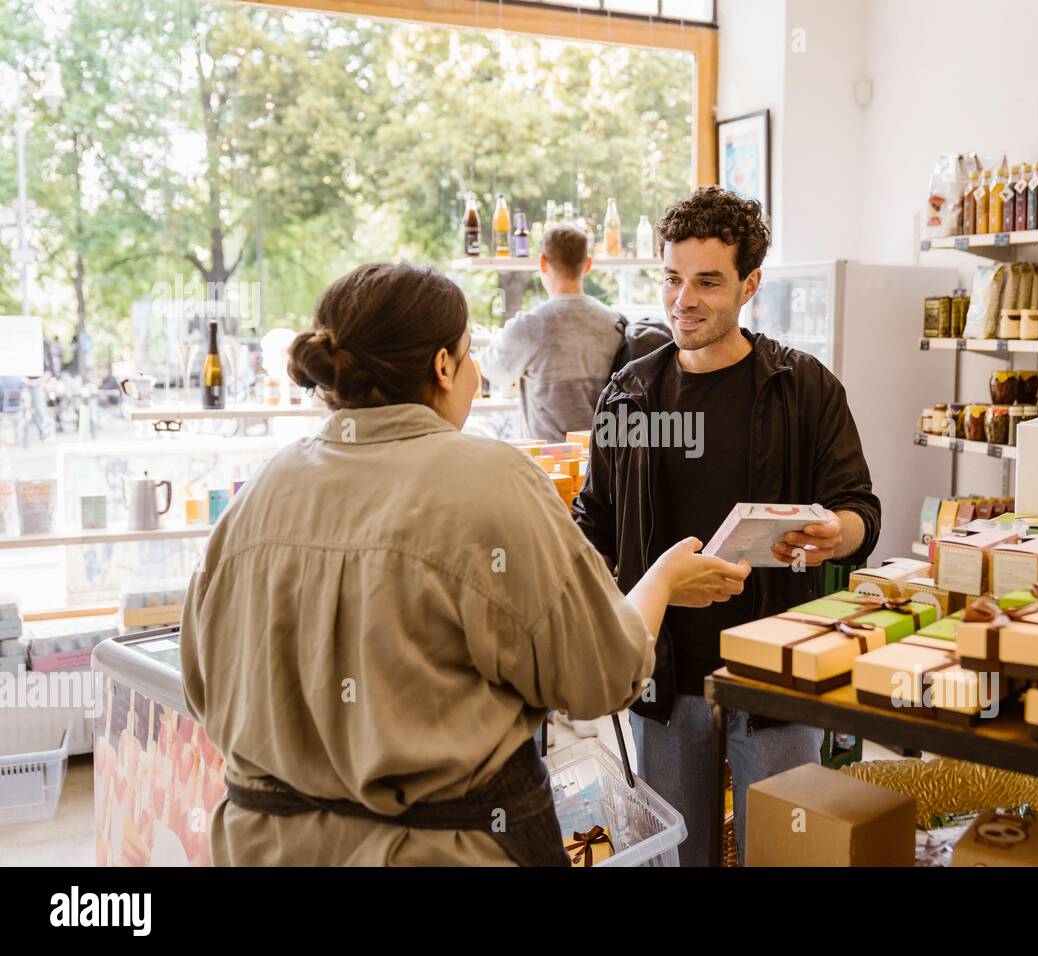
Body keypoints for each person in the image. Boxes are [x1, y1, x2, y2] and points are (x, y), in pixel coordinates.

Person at [181, 262, 750, 866]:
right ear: (443, 366)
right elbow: (599, 677)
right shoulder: (491, 479)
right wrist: (659, 582)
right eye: (470, 351)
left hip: (261, 848)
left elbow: (200, 684)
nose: (478, 373)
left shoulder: (263, 491)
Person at [573, 186, 881, 866]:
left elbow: (861, 506)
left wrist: (838, 533)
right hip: (663, 677)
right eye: (673, 279)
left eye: (708, 282)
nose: (684, 299)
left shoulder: (804, 388)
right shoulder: (629, 393)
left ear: (750, 285)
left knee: (783, 852)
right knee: (677, 856)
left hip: (774, 674)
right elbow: (591, 523)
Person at [479, 223, 623, 441]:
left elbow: (494, 371)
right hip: (601, 460)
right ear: (587, 265)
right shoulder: (614, 322)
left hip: (549, 461)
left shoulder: (529, 326)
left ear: (543, 263)